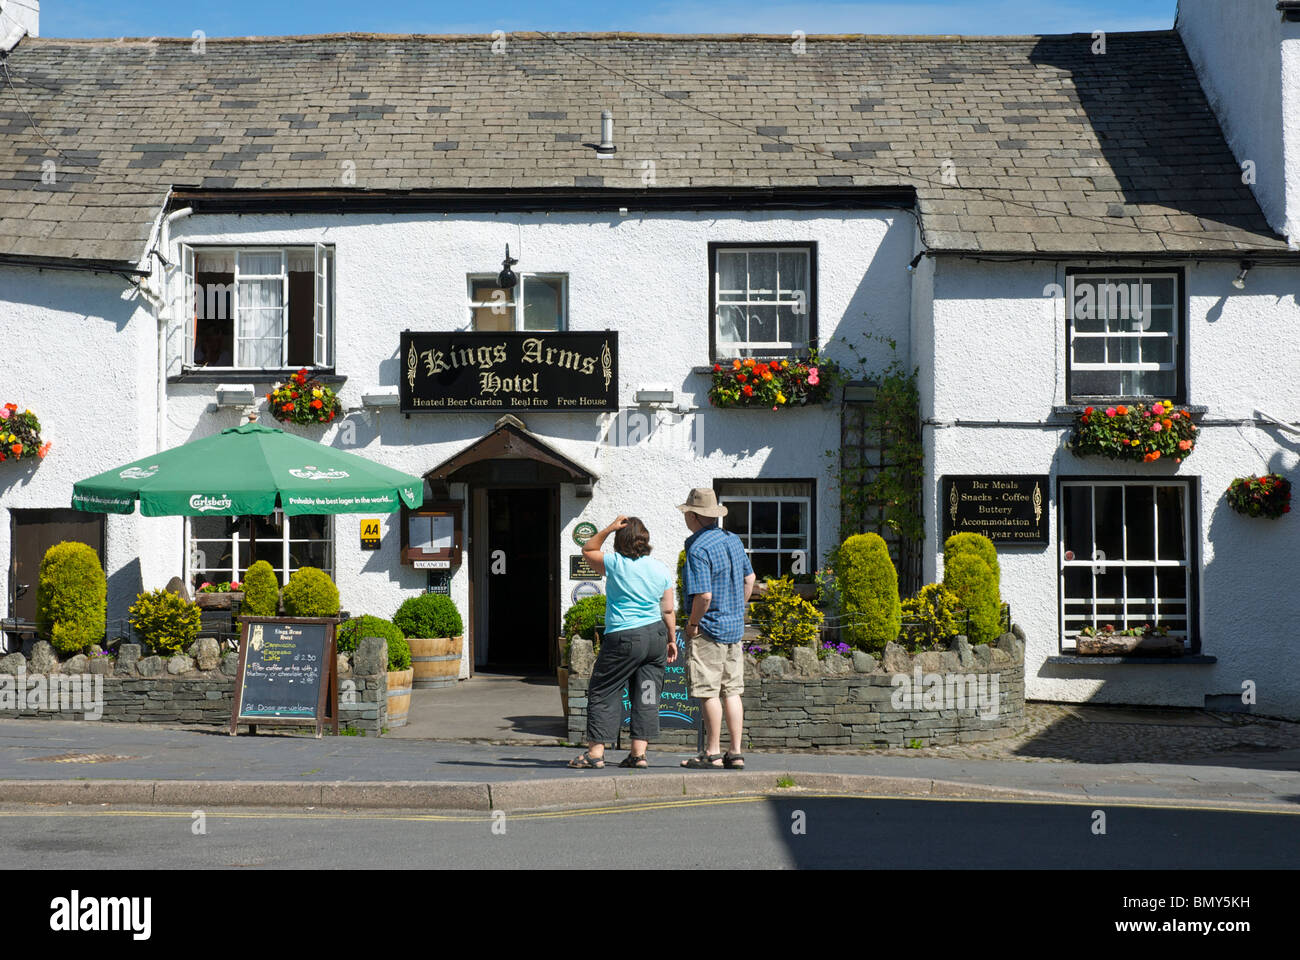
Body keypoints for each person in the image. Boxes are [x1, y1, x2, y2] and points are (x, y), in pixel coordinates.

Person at [568, 515, 677, 769]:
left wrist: (609, 528)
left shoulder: (615, 563)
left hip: (625, 636)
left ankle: (595, 754)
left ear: (621, 540)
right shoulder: (660, 568)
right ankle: (638, 755)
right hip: (656, 636)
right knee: (647, 693)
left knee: (604, 689)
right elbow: (668, 609)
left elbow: (588, 549)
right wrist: (671, 639)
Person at [677, 488, 755, 769]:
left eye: (687, 512)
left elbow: (704, 596)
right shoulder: (733, 540)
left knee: (709, 691)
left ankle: (712, 753)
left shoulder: (697, 548)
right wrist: (737, 608)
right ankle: (735, 753)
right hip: (734, 628)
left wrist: (692, 624)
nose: (686, 517)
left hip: (708, 628)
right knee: (732, 691)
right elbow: (750, 579)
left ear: (695, 516)